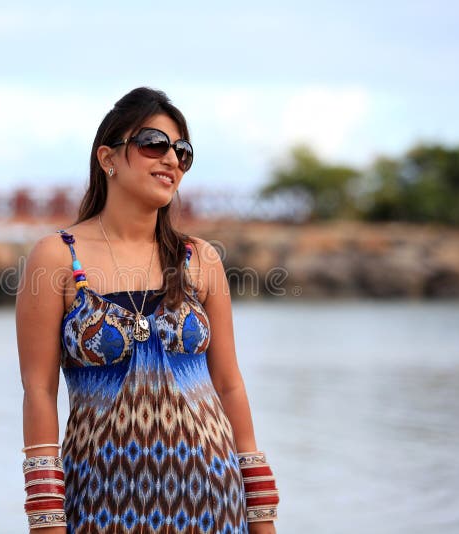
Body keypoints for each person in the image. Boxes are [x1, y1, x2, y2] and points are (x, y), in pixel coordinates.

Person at [15, 87, 280, 533]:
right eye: (154, 144)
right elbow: (38, 391)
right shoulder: (57, 258)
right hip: (103, 506)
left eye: (182, 151)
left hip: (213, 503)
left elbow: (230, 386)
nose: (171, 159)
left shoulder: (200, 259)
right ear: (109, 158)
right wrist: (45, 520)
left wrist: (261, 514)